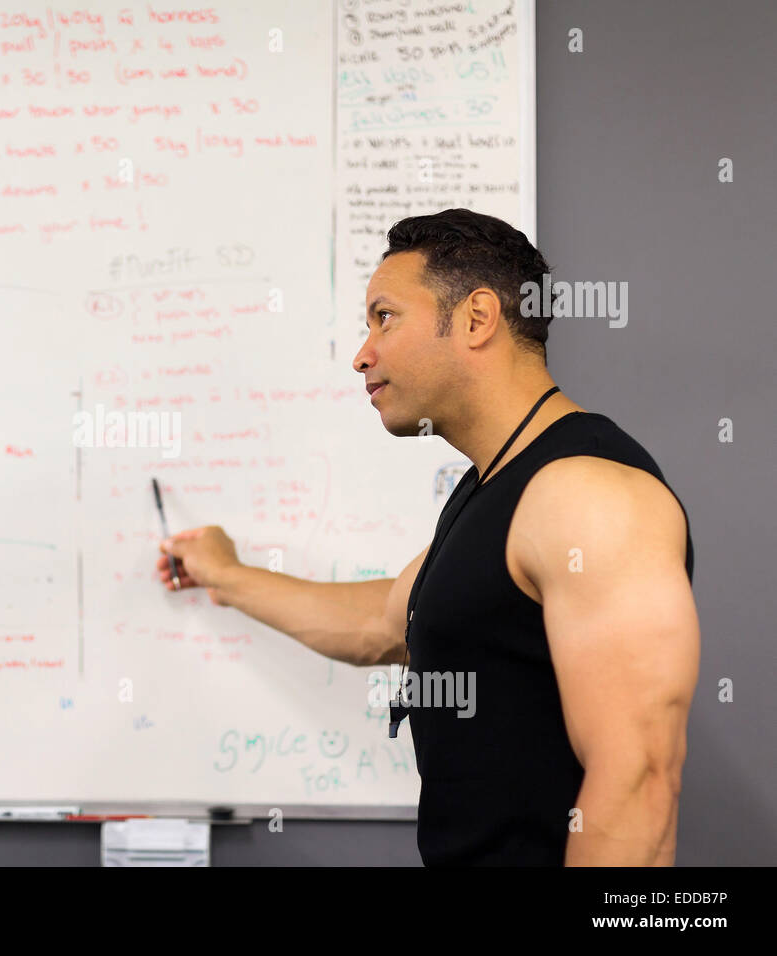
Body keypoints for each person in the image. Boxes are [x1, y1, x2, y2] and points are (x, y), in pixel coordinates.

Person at [157, 208, 699, 866]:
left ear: (477, 318)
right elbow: (380, 623)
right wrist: (225, 573)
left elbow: (637, 781)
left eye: (384, 316)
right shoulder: (493, 488)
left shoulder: (589, 493)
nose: (362, 353)